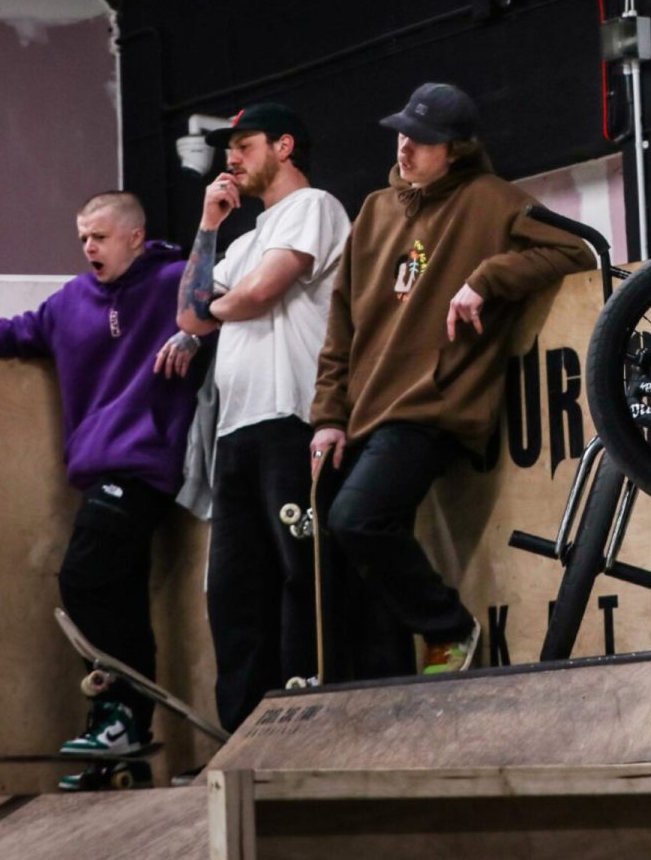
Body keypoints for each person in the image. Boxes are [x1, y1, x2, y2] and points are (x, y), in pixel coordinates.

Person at [0, 192, 206, 784]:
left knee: (83, 577)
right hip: (96, 470)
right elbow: (16, 331)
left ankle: (122, 710)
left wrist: (196, 334)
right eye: (82, 239)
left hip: (144, 464)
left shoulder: (173, 281)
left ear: (135, 237)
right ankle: (119, 731)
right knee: (119, 595)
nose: (89, 248)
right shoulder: (71, 301)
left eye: (100, 237)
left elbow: (224, 301)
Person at [310, 81, 594, 678]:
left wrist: (487, 278)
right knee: (343, 553)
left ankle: (448, 628)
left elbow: (577, 251)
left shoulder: (490, 199)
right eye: (402, 134)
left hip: (429, 405)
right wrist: (329, 416)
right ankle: (390, 692)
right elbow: (341, 325)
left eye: (423, 139)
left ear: (456, 149)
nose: (406, 148)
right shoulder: (374, 210)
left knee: (355, 519)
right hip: (364, 410)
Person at [173, 102, 350, 729]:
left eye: (244, 145)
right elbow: (188, 314)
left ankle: (315, 720)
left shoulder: (314, 207)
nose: (231, 159)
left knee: (302, 573)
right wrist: (207, 226)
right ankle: (243, 731)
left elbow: (255, 294)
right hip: (235, 431)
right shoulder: (242, 241)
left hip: (291, 417)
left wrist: (216, 307)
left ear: (284, 146)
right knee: (234, 589)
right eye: (229, 149)